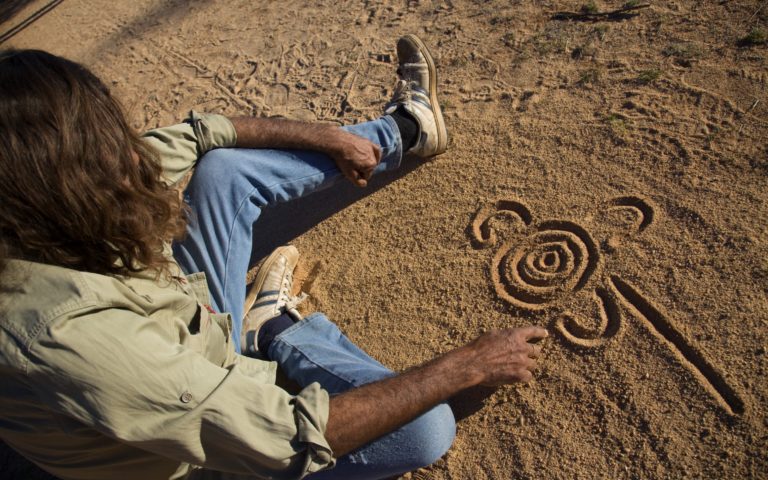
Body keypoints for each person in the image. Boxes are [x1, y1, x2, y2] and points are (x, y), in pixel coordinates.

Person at [0, 35, 547, 480]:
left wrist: (330, 137)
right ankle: (277, 330)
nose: (131, 158)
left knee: (225, 172)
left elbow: (202, 134)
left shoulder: (49, 201)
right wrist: (466, 365)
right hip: (195, 460)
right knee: (424, 428)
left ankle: (410, 128)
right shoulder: (65, 337)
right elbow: (285, 436)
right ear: (58, 187)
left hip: (191, 326)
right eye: (108, 150)